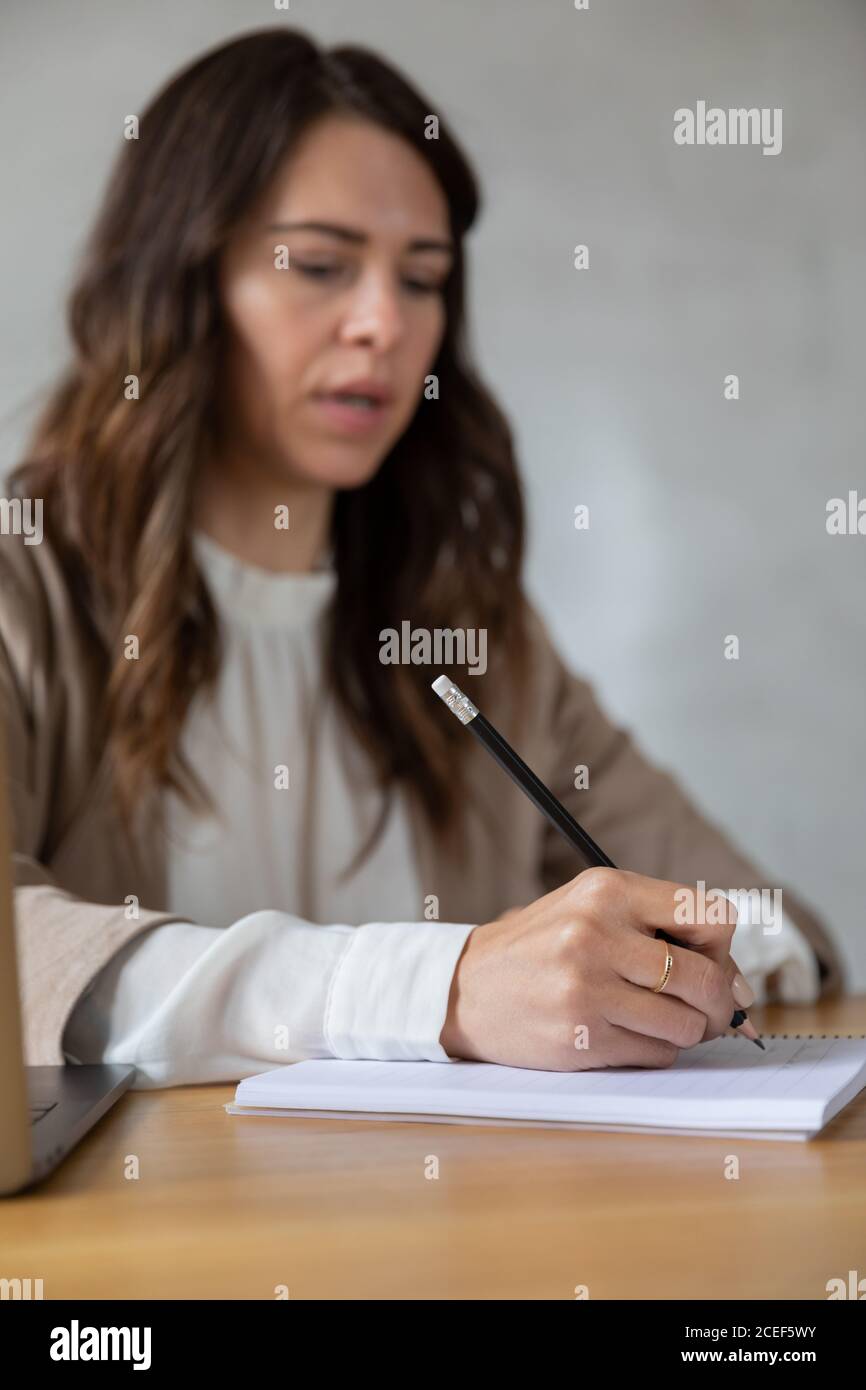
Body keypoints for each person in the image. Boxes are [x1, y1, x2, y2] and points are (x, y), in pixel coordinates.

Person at [1, 29, 844, 1089]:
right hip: (146, 1249)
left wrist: (673, 963)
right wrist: (440, 987)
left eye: (424, 278)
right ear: (181, 278)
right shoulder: (22, 587)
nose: (382, 325)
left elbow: (772, 925)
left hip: (438, 1243)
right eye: (318, 264)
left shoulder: (468, 627)